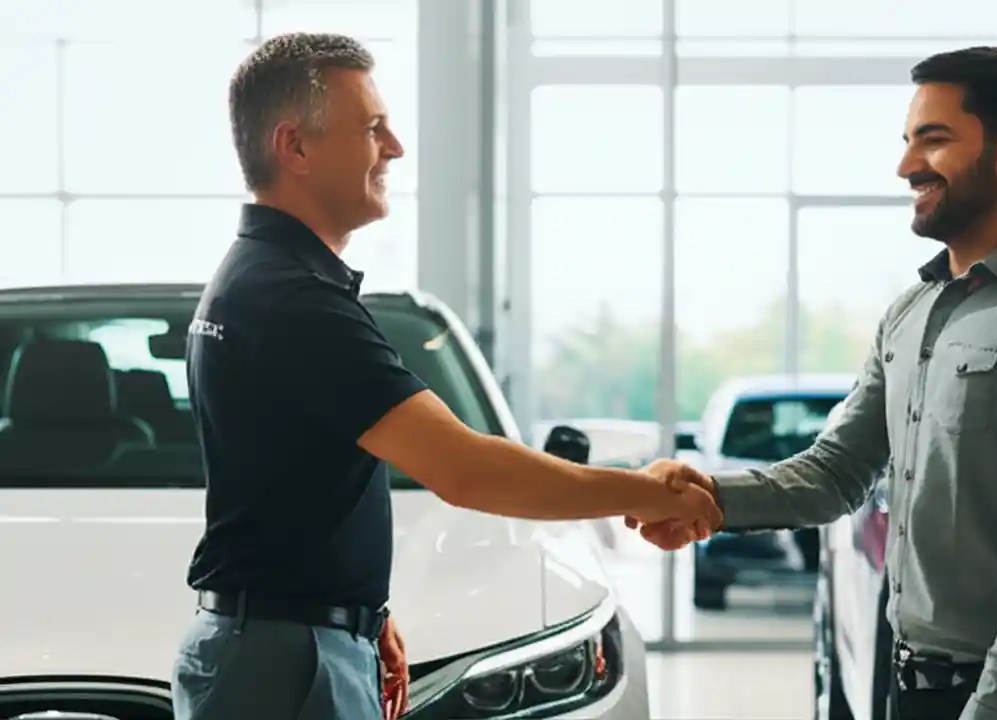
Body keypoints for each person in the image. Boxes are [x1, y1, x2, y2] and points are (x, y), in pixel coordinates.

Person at [171, 33, 719, 720]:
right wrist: (646, 493)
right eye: (373, 128)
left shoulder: (256, 278)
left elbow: (286, 487)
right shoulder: (293, 301)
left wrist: (360, 615)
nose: (395, 148)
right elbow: (466, 469)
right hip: (288, 661)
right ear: (296, 147)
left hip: (282, 642)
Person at [635, 46, 997, 720]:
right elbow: (834, 474)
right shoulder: (911, 314)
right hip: (909, 687)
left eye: (933, 140)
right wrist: (707, 497)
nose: (906, 166)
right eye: (908, 142)